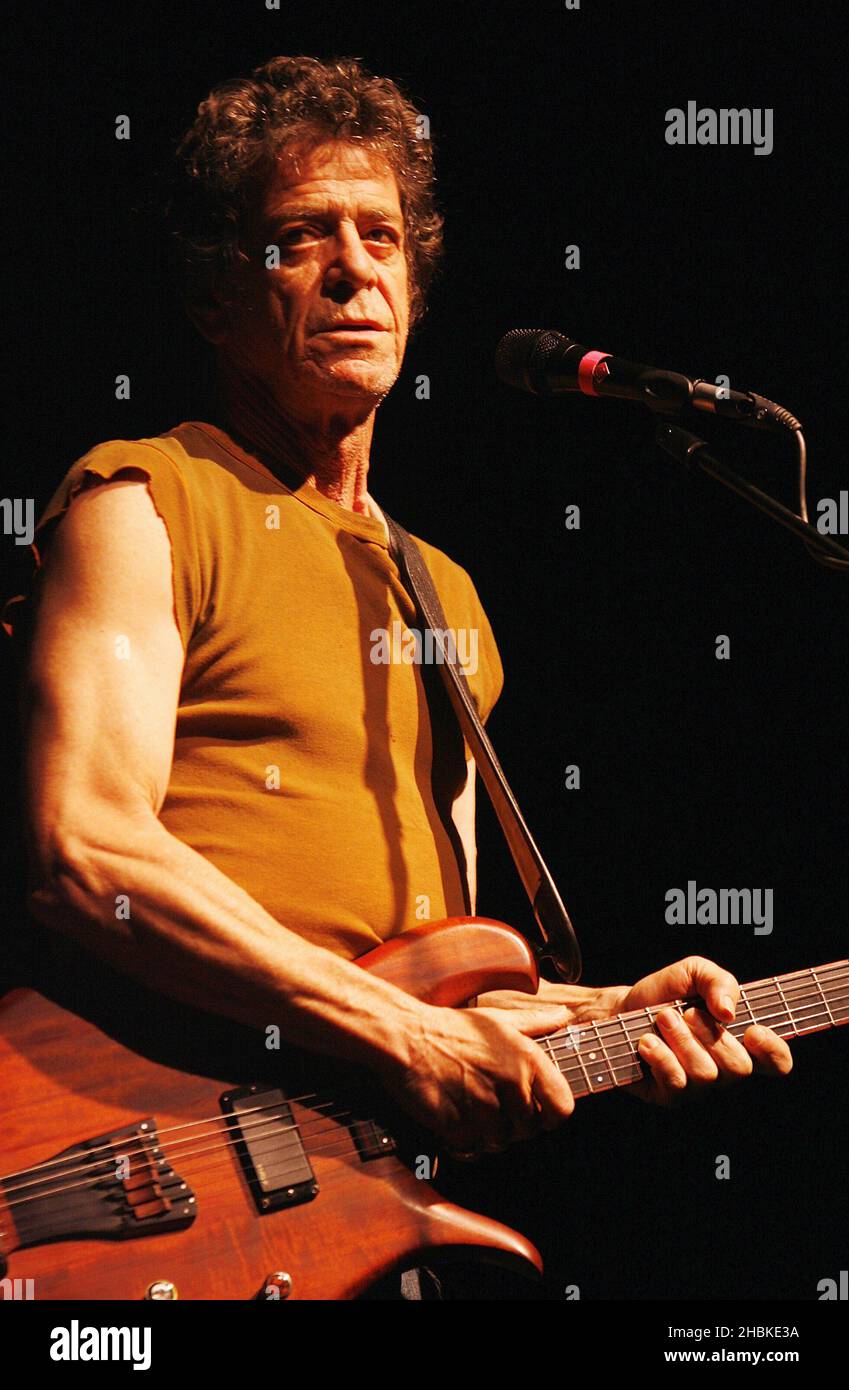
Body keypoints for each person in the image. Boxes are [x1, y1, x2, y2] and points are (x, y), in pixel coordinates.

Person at [2, 55, 791, 1297]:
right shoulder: (146, 501)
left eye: (381, 236)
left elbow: (431, 954)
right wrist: (403, 1031)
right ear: (216, 295)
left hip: (339, 1220)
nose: (354, 267)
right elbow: (82, 849)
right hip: (138, 1170)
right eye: (300, 238)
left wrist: (598, 1010)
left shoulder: (449, 598)